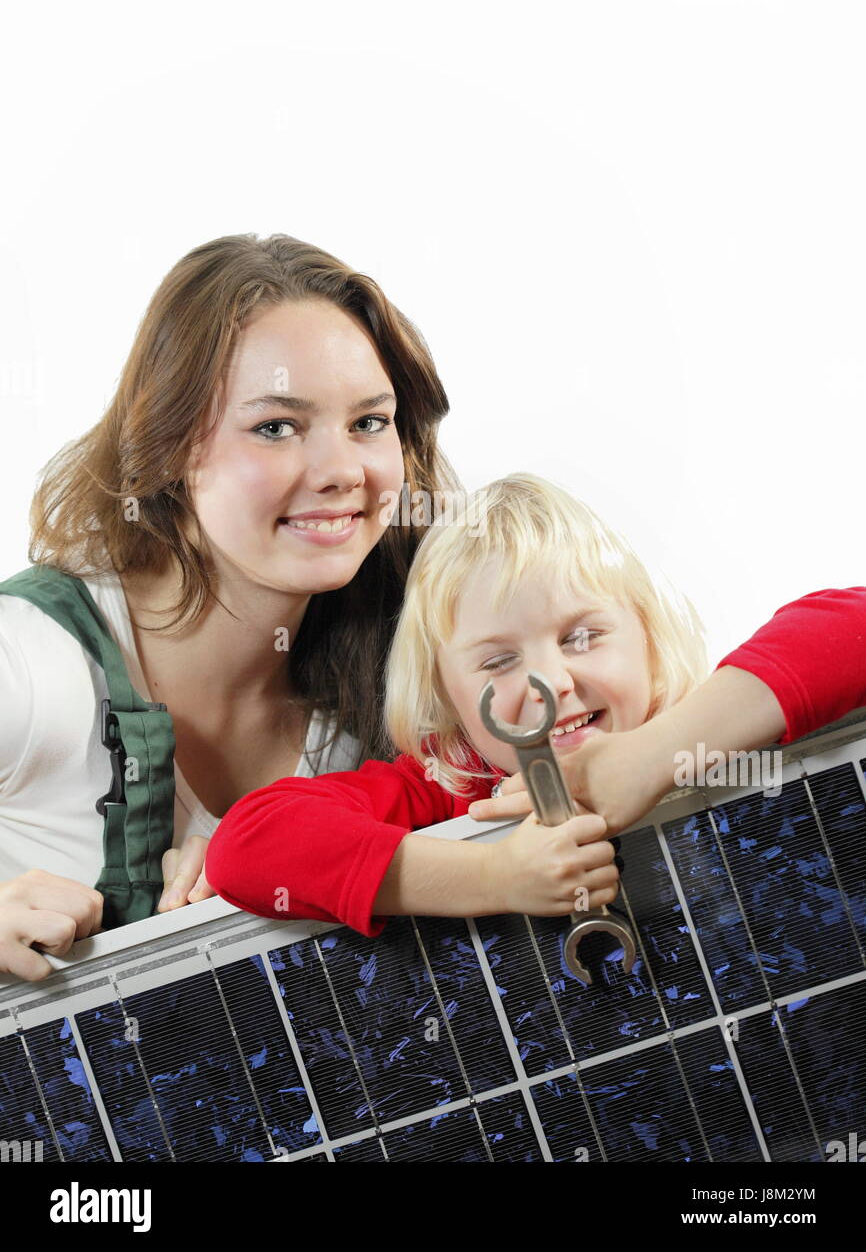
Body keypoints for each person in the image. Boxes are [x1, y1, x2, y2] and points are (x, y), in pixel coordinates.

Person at [0, 233, 458, 980]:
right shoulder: (29, 663)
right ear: (172, 443)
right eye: (276, 427)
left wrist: (277, 843)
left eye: (370, 422)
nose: (343, 471)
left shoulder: (406, 677)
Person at [205, 473, 866, 934]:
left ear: (645, 636)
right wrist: (493, 873)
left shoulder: (718, 736)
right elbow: (247, 847)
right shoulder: (448, 795)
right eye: (498, 661)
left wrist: (652, 758)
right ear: (450, 701)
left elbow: (852, 626)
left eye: (582, 637)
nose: (550, 683)